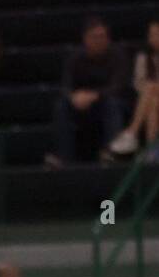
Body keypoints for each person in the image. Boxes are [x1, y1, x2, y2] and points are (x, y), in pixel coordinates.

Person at [49, 17, 129, 166]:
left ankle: (110, 153)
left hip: (107, 102)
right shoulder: (75, 57)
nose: (99, 40)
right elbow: (65, 85)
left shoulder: (118, 55)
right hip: (81, 104)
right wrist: (74, 97)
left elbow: (118, 86)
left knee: (112, 105)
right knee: (61, 106)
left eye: (103, 36)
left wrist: (95, 95)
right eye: (95, 37)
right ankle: (64, 157)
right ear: (85, 39)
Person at [109, 19, 159, 159]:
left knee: (151, 89)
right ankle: (153, 150)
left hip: (150, 94)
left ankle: (132, 132)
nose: (156, 38)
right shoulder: (144, 56)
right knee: (153, 101)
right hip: (151, 100)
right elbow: (138, 84)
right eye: (153, 34)